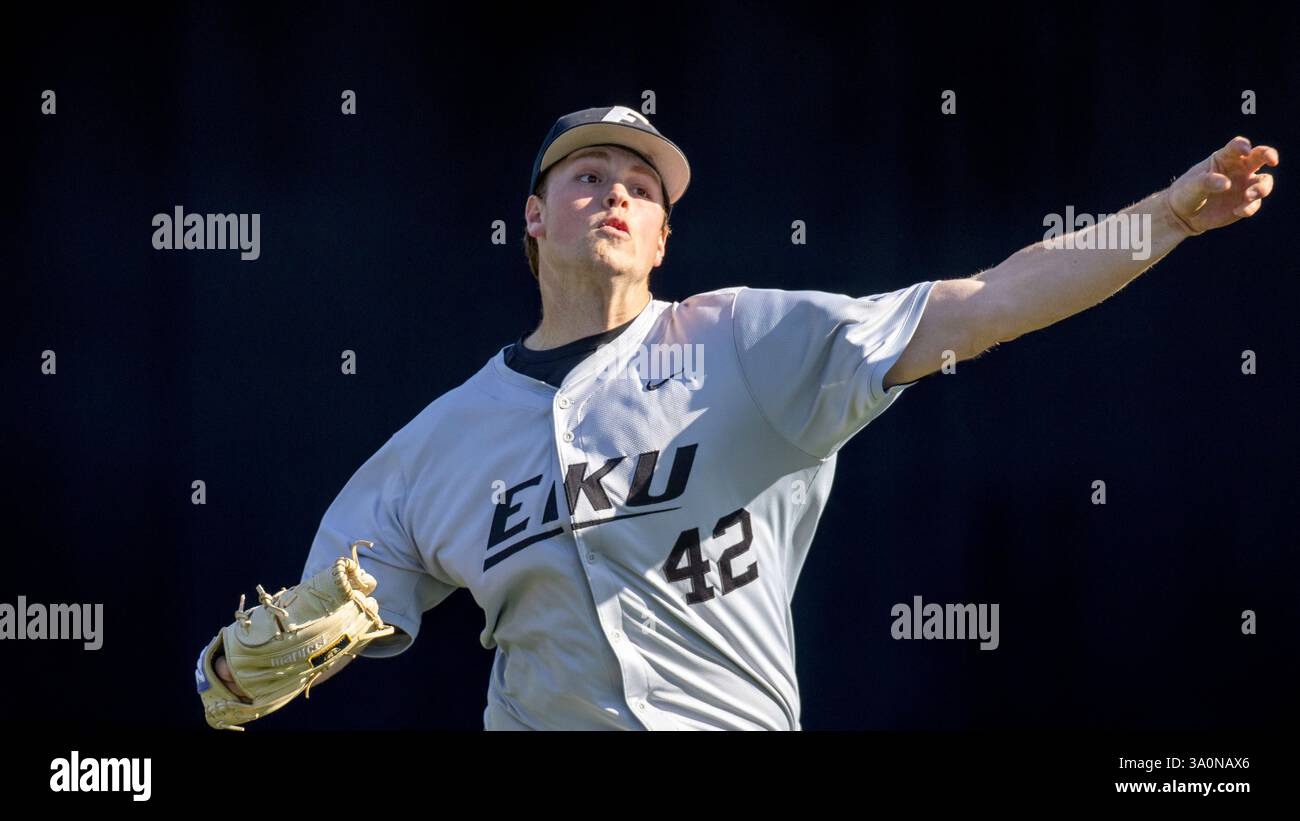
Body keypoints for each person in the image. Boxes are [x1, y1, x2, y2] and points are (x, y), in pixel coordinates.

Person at [212, 105, 1278, 730]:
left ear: (665, 239)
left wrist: (1169, 216)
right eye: (588, 176)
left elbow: (990, 301)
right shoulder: (435, 444)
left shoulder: (748, 342)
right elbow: (300, 638)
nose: (616, 195)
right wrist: (221, 680)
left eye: (642, 187)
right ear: (533, 219)